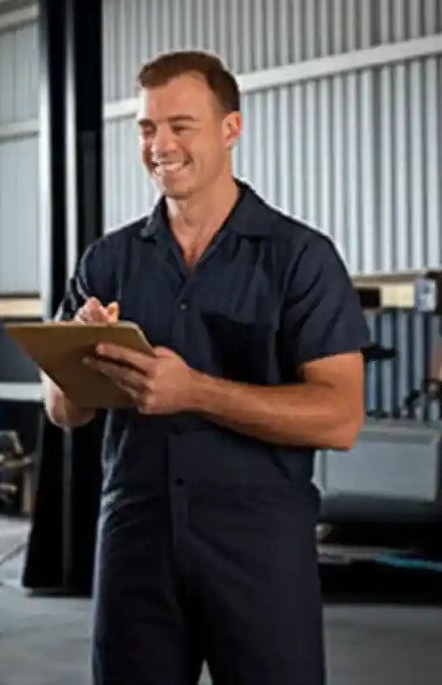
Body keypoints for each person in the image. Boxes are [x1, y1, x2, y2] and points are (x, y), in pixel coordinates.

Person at [42, 50, 369, 684]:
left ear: (230, 129)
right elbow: (63, 411)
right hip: (137, 542)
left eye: (180, 126)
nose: (160, 145)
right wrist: (76, 360)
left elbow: (340, 416)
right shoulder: (107, 262)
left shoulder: (299, 258)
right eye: (146, 128)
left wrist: (195, 392)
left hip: (260, 550)